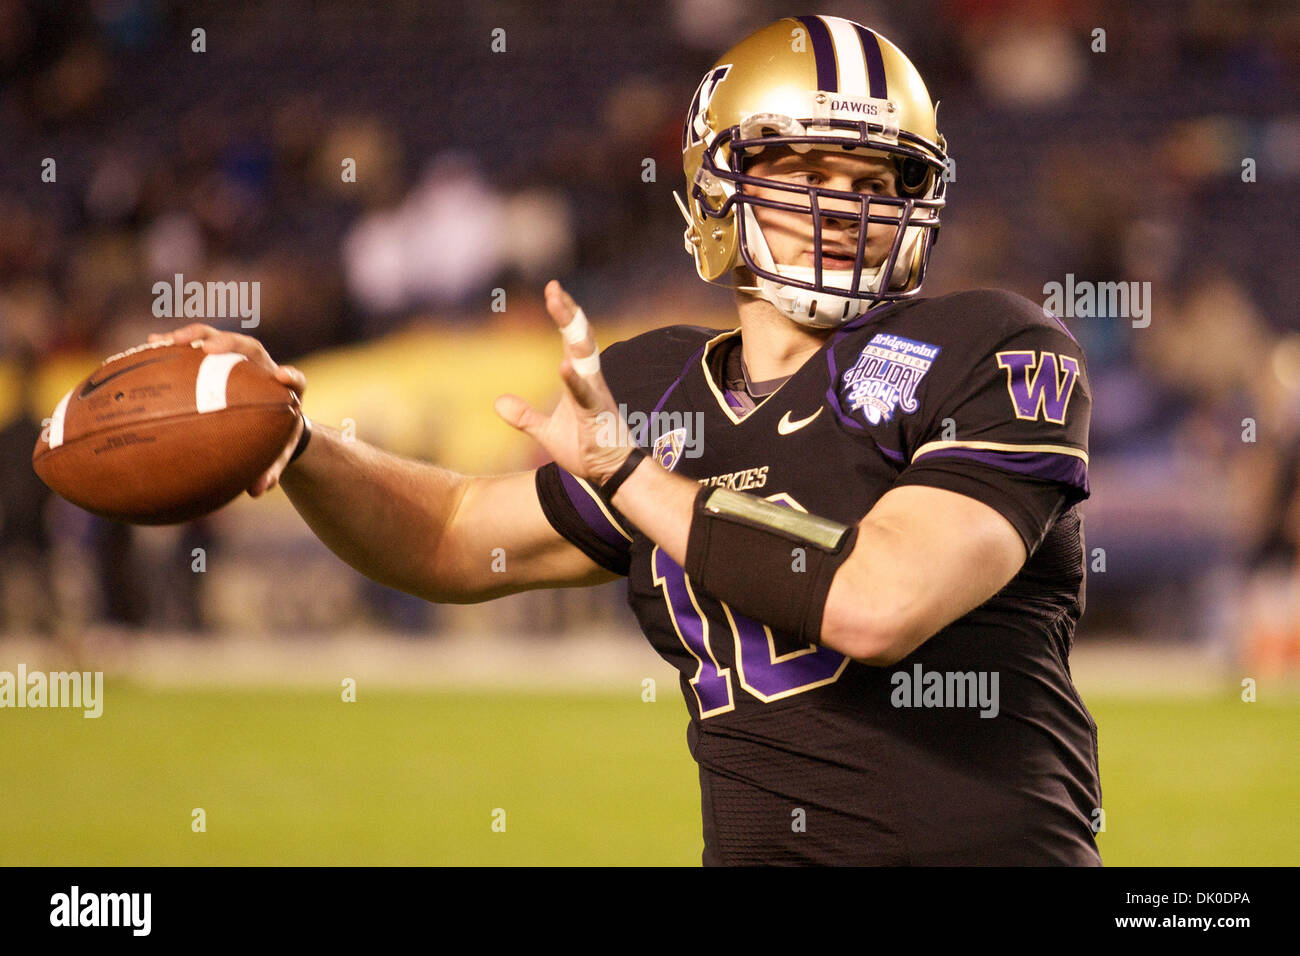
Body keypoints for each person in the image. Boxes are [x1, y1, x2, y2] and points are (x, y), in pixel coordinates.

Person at [152, 15, 1100, 865]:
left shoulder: (991, 348)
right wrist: (297, 436)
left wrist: (632, 475)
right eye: (805, 173)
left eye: (874, 180)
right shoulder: (662, 391)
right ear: (716, 188)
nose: (845, 207)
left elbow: (876, 602)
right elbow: (451, 535)